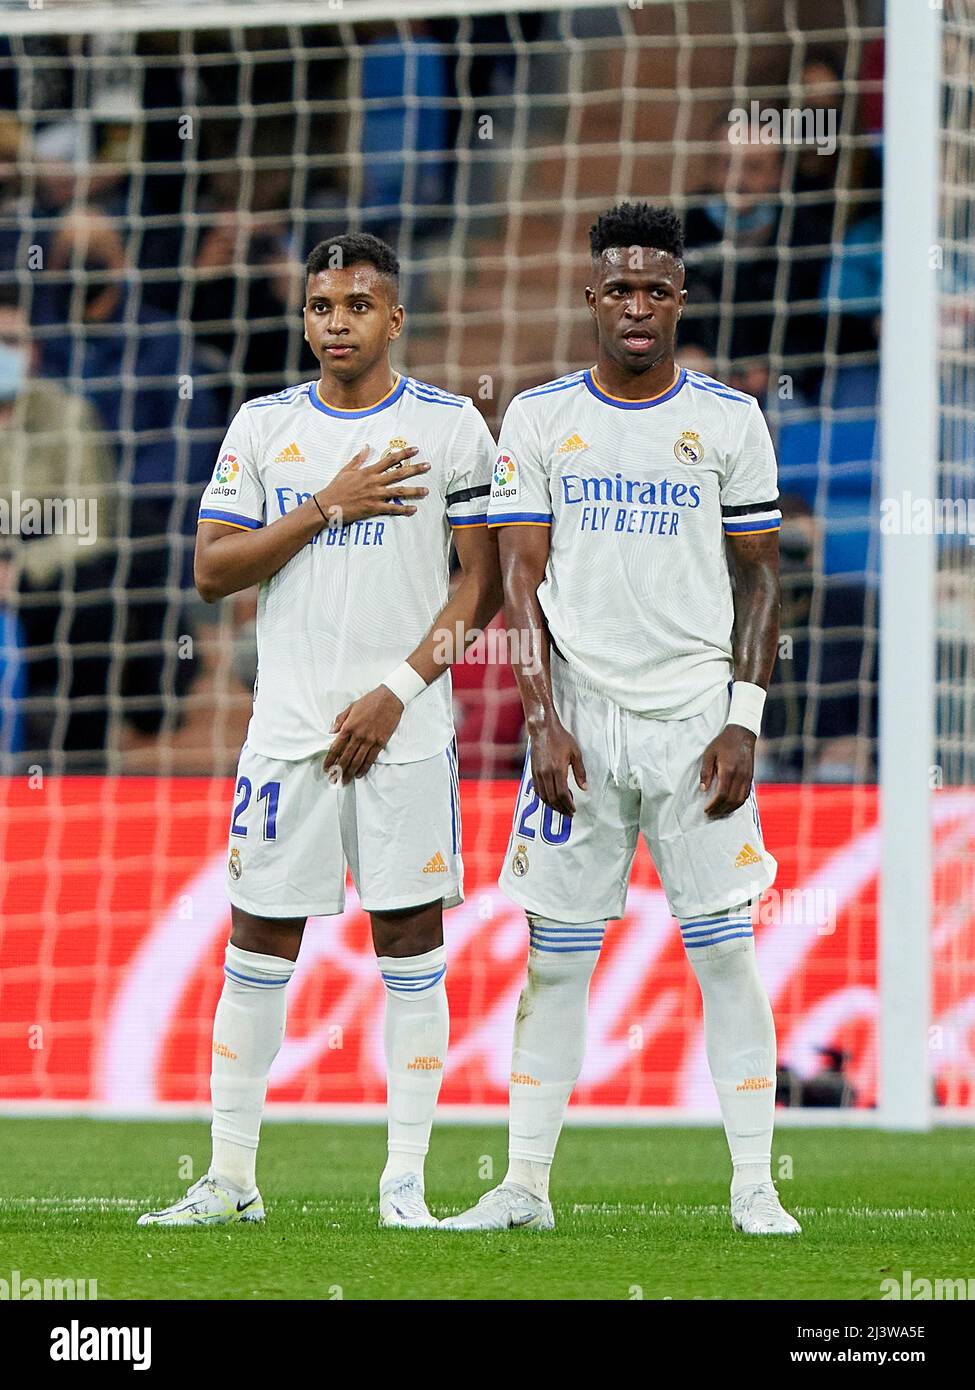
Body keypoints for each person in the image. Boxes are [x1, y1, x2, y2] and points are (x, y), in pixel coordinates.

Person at [442, 202, 800, 1237]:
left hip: (695, 718)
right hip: (581, 720)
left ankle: (754, 1187)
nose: (637, 306)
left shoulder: (732, 420)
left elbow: (761, 582)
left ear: (680, 299)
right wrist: (543, 720)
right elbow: (519, 574)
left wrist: (742, 718)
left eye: (656, 289)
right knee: (556, 954)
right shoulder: (543, 418)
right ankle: (523, 1188)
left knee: (725, 950)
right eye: (619, 289)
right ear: (591, 298)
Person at [138, 232, 501, 1230]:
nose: (336, 323)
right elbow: (214, 569)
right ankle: (230, 1177)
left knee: (410, 941)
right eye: (321, 306)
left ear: (395, 317)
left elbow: (483, 582)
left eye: (357, 304)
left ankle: (404, 1184)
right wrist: (324, 507)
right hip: (287, 731)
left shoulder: (450, 427)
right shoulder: (263, 428)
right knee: (257, 941)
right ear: (305, 318)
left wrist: (395, 689)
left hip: (409, 728)